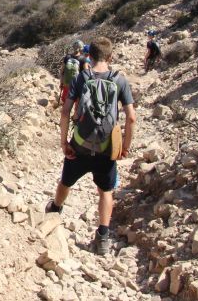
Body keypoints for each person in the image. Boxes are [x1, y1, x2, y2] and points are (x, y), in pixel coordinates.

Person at [45, 36, 137, 256]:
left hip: (80, 143)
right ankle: (103, 237)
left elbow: (65, 111)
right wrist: (124, 147)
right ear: (110, 57)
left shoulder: (81, 78)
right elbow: (131, 118)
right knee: (106, 191)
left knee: (66, 181)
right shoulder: (119, 80)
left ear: (90, 56)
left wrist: (64, 142)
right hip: (106, 147)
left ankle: (55, 210)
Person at [58, 40, 88, 105]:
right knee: (77, 105)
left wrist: (61, 83)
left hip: (67, 84)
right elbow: (87, 74)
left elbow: (62, 71)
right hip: (77, 86)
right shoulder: (83, 59)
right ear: (81, 48)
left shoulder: (67, 57)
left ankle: (64, 111)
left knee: (65, 103)